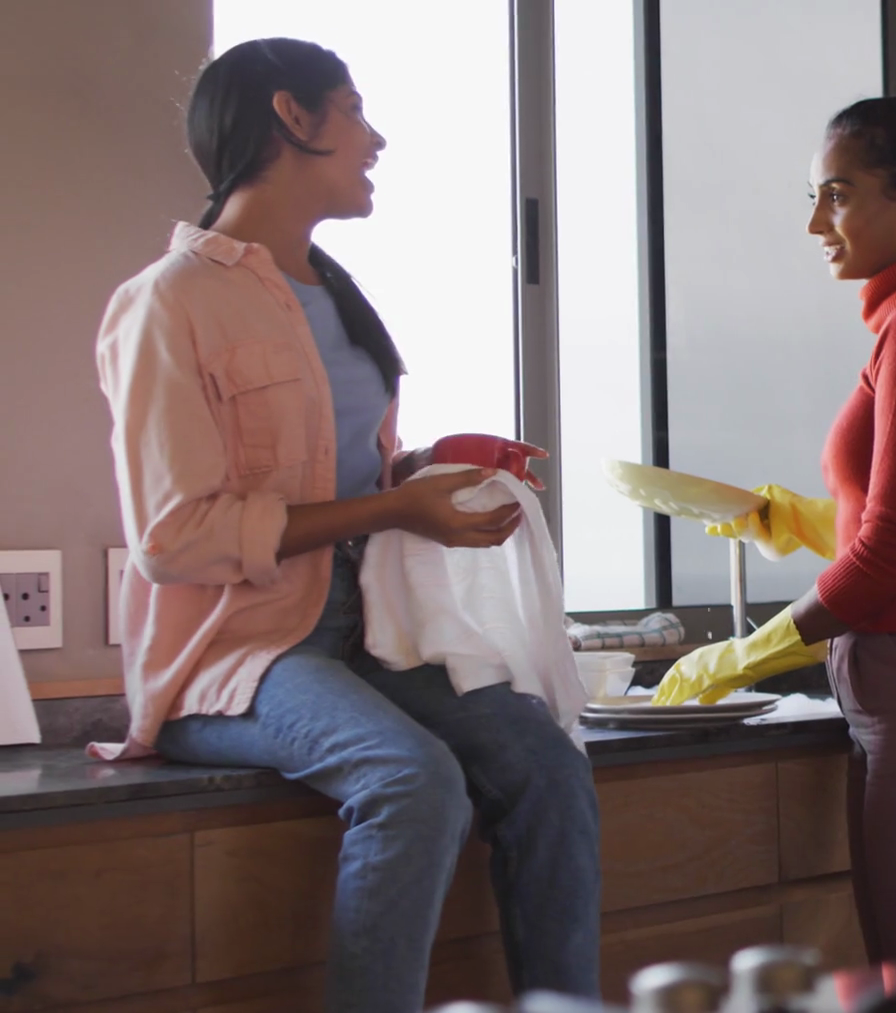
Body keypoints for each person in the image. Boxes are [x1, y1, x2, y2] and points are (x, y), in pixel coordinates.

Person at [93, 38, 600, 1013]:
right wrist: (395, 505)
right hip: (226, 662)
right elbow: (173, 533)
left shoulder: (330, 299)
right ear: (292, 115)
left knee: (547, 760)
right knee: (414, 780)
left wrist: (431, 467)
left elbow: (346, 479)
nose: (376, 137)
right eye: (356, 110)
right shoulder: (166, 302)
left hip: (364, 637)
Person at [650, 81, 896, 964]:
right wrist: (800, 521)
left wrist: (745, 652)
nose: (816, 222)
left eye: (838, 193)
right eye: (815, 196)